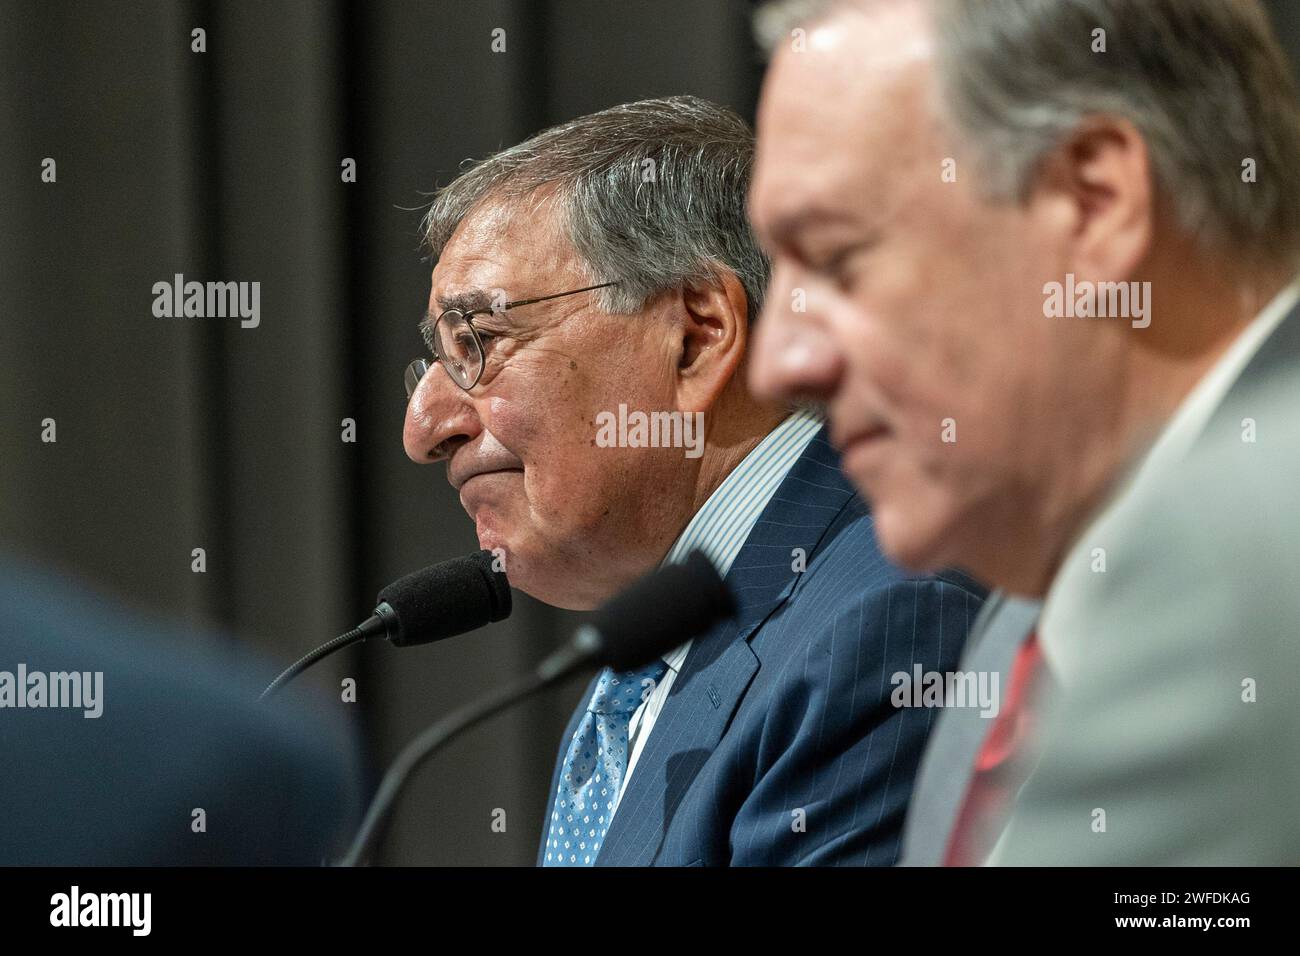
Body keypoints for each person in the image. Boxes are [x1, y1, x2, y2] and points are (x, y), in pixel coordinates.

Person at [747, 0, 1300, 863]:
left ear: (1093, 201)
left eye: (837, 258)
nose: (778, 363)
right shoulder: (1016, 637)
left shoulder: (1248, 550)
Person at [403, 95, 984, 865]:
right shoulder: (640, 665)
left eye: (478, 342)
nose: (424, 429)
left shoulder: (884, 625)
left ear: (697, 336)